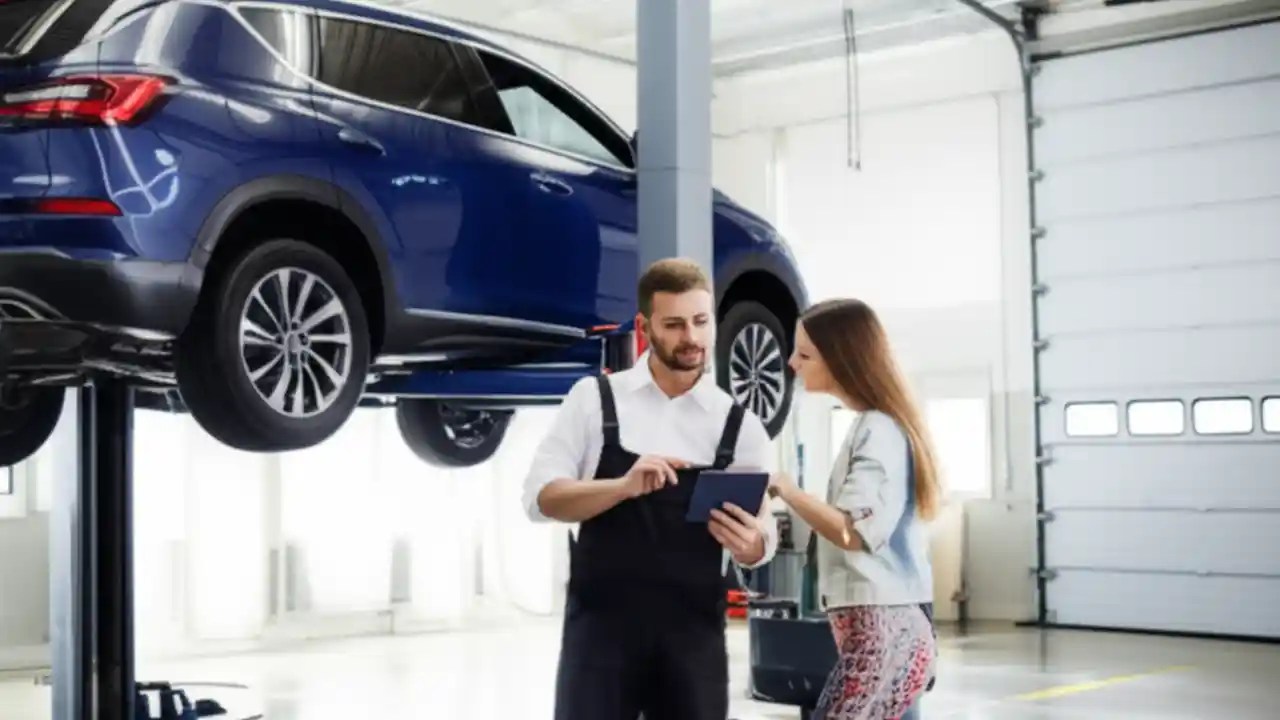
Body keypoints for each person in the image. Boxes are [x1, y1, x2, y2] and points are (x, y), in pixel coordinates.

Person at [523, 258, 779, 720]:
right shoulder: (593, 400)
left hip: (693, 640)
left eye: (701, 322)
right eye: (675, 324)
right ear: (645, 326)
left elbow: (762, 535)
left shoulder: (741, 426)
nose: (692, 338)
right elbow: (541, 499)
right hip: (599, 637)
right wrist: (622, 486)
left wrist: (752, 545)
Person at [767, 298, 940, 720]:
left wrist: (786, 488)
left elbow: (852, 531)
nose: (792, 363)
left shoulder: (878, 430)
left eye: (805, 355)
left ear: (842, 359)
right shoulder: (870, 425)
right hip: (881, 629)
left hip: (883, 631)